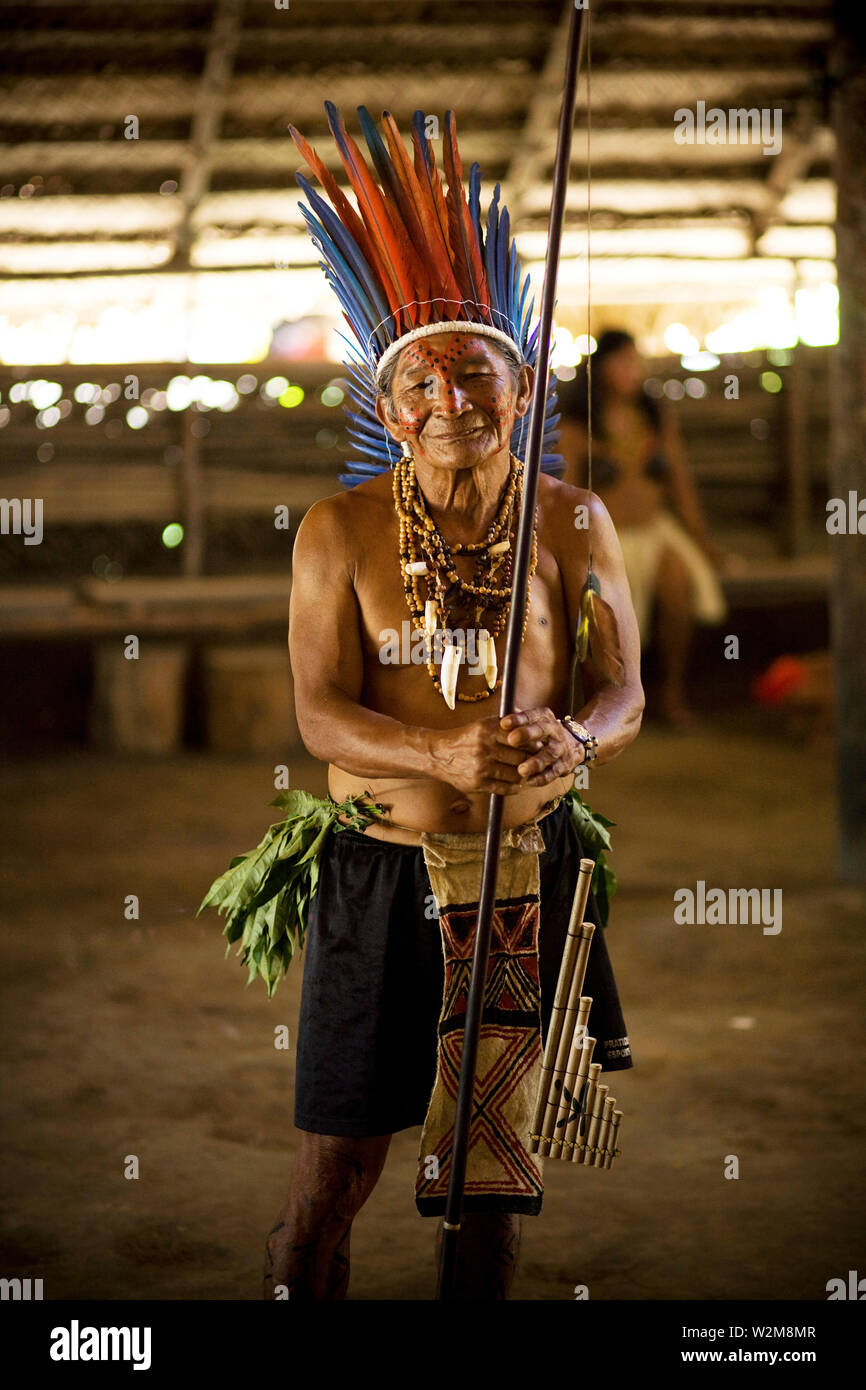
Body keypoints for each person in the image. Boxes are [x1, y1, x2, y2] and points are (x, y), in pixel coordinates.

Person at [250, 106, 644, 1301]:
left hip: (526, 874)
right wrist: (435, 745)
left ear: (521, 389)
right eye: (418, 375)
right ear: (388, 402)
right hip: (380, 872)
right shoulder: (340, 531)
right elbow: (319, 715)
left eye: (474, 370)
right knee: (336, 1167)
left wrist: (572, 734)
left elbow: (626, 691)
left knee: (490, 1177)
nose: (446, 393)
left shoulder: (574, 520)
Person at [558, 330, 728, 726]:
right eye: (623, 362)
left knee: (678, 590)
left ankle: (669, 695)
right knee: (604, 624)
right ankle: (605, 708)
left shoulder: (653, 417)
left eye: (636, 361)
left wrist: (704, 543)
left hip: (656, 530)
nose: (632, 370)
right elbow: (564, 493)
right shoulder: (577, 423)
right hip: (604, 539)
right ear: (600, 369)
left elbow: (679, 482)